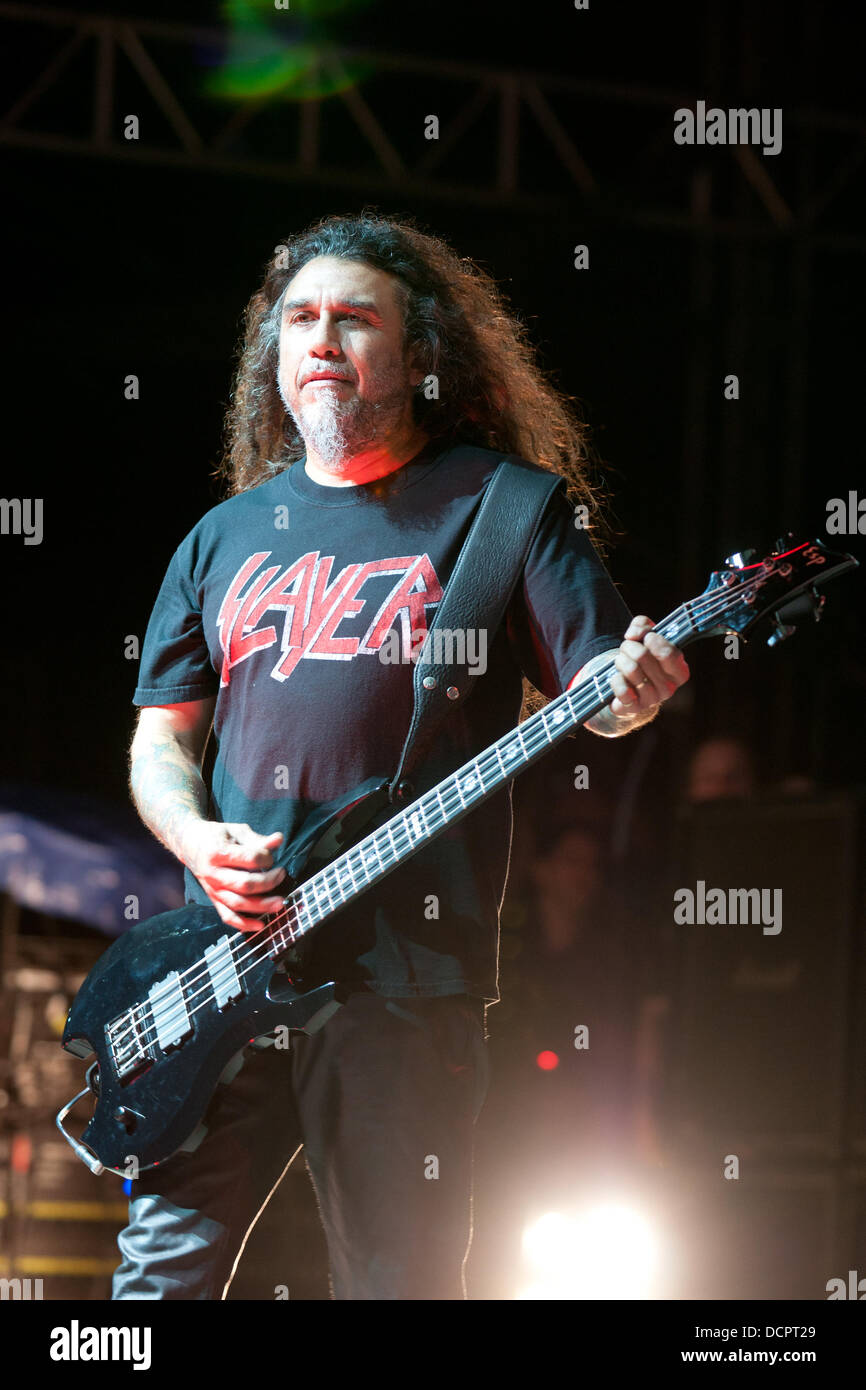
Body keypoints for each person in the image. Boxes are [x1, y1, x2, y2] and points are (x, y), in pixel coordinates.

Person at [112, 212, 690, 1300]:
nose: (320, 339)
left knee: (395, 1281)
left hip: (400, 979)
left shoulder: (503, 511)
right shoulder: (222, 536)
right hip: (216, 971)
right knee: (155, 1283)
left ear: (419, 355)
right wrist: (193, 833)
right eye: (299, 320)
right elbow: (159, 742)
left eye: (353, 319)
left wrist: (632, 697)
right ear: (272, 355)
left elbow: (600, 697)